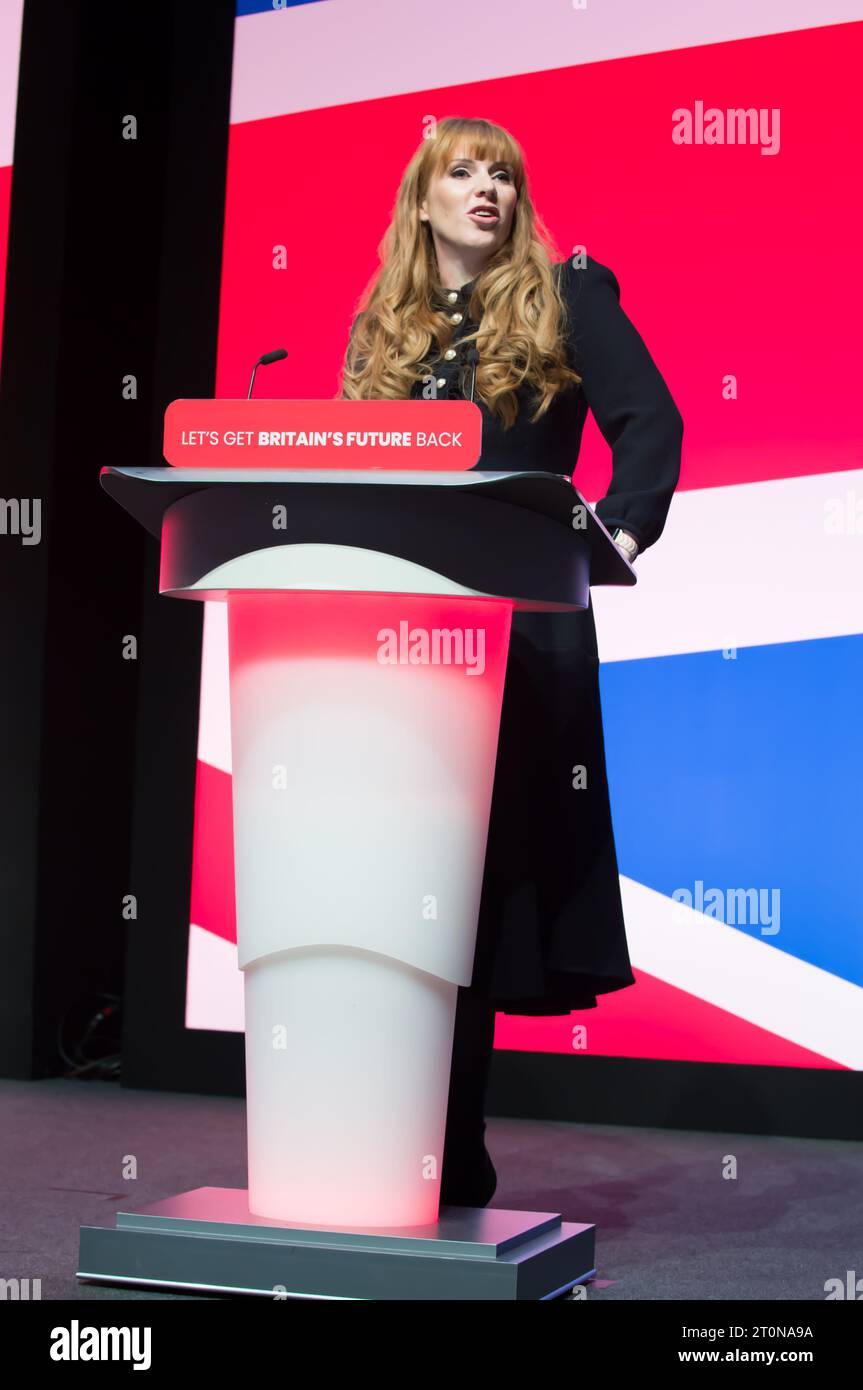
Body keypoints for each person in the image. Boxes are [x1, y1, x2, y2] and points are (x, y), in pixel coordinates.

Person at [341, 117, 683, 1207]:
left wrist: (613, 537)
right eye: (462, 171)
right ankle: (387, 1127)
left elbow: (653, 422)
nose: (485, 188)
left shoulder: (566, 295)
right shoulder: (386, 328)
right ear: (423, 201)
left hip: (516, 635)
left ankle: (452, 1134)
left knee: (475, 888)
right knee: (399, 886)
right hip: (395, 640)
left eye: (503, 174)